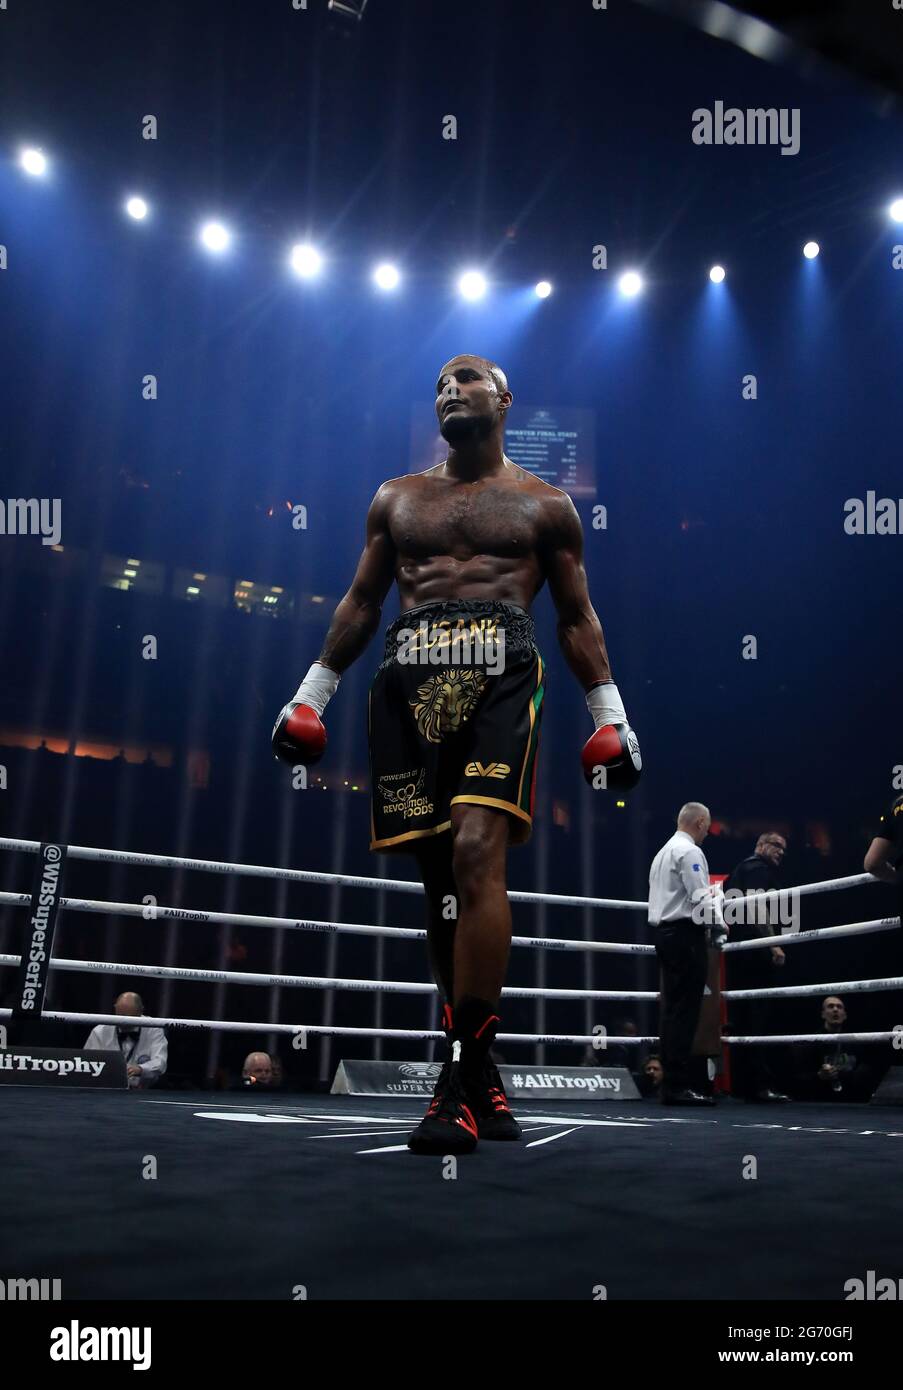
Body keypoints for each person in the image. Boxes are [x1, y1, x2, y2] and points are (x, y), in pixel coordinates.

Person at [273, 354, 642, 1155]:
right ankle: (480, 1069)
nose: (449, 388)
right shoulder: (396, 497)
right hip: (407, 681)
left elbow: (577, 619)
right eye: (440, 382)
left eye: (466, 377)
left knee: (478, 849)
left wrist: (610, 715)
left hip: (500, 673)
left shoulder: (545, 506)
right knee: (440, 877)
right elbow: (362, 600)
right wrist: (310, 695)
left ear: (503, 398)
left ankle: (453, 1081)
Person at [648, 802, 725, 1106]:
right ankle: (678, 1086)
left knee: (672, 1012)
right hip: (685, 936)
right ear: (701, 822)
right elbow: (699, 898)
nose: (708, 832)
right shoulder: (690, 851)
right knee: (684, 1012)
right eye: (708, 826)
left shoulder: (662, 852)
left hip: (665, 935)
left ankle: (672, 1085)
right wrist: (719, 926)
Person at [724, 833, 790, 1102]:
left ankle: (744, 1086)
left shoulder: (741, 869)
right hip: (754, 953)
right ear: (760, 846)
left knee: (741, 1019)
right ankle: (760, 1086)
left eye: (784, 849)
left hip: (739, 953)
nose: (781, 852)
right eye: (777, 846)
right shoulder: (757, 868)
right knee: (757, 1019)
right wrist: (773, 944)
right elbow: (755, 906)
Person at [791, 996, 885, 1102]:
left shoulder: (855, 1042)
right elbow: (799, 1079)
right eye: (830, 1006)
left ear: (844, 1015)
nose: (835, 1009)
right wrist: (819, 1076)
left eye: (839, 1007)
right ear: (823, 1014)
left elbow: (865, 1074)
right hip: (821, 1101)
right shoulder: (811, 1042)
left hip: (852, 1101)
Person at [84, 991, 167, 1090]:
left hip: (144, 1088)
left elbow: (160, 1062)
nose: (123, 1021)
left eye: (128, 1017)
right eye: (120, 1015)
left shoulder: (153, 1028)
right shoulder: (100, 1031)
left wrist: (141, 1069)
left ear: (140, 1012)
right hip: (107, 1086)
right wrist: (109, 1068)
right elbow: (86, 1063)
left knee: (145, 1061)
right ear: (115, 1008)